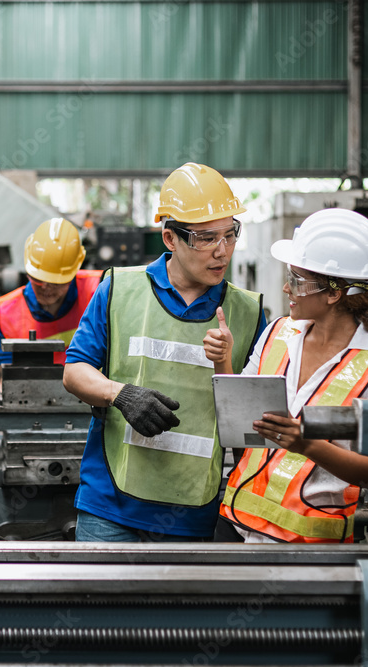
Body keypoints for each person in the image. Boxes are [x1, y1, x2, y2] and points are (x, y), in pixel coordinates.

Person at [63, 162, 267, 542]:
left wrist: (226, 364)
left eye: (230, 235)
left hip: (192, 512)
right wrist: (120, 394)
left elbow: (251, 424)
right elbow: (75, 371)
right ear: (170, 238)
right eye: (206, 238)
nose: (222, 252)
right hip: (110, 508)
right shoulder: (118, 290)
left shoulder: (248, 313)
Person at [208, 208, 368, 544]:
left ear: (334, 293)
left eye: (298, 281)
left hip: (308, 550)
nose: (287, 289)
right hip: (235, 528)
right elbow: (239, 422)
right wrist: (223, 361)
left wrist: (308, 445)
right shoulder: (277, 333)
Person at [0, 218, 102, 366]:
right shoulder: (7, 314)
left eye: (56, 282)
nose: (45, 287)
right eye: (38, 279)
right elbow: (6, 375)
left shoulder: (98, 292)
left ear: (74, 272)